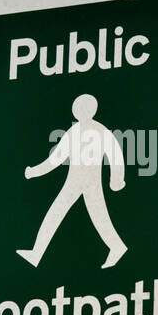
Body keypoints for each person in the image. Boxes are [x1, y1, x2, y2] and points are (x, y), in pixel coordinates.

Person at [17, 94, 127, 269]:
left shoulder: (98, 131)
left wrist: (116, 180)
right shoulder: (74, 132)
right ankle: (36, 253)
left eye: (81, 107)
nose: (78, 110)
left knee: (97, 217)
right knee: (59, 213)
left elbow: (115, 155)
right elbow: (56, 159)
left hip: (89, 182)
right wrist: (34, 172)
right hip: (74, 181)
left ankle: (117, 247)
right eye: (77, 107)